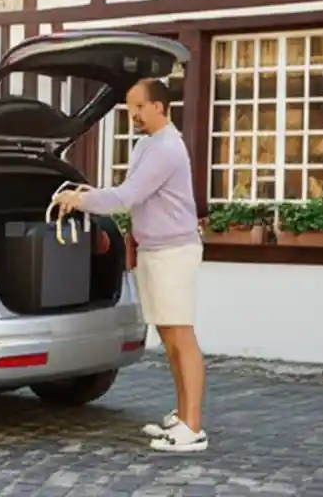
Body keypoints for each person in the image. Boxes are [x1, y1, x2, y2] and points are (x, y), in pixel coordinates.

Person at [52, 77, 208, 453]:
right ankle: (182, 416)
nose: (133, 114)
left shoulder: (167, 148)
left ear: (159, 107)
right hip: (155, 250)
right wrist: (91, 194)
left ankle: (193, 427)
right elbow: (130, 193)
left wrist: (80, 199)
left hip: (174, 252)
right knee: (169, 337)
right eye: (129, 107)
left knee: (181, 336)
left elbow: (127, 197)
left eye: (139, 107)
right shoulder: (145, 145)